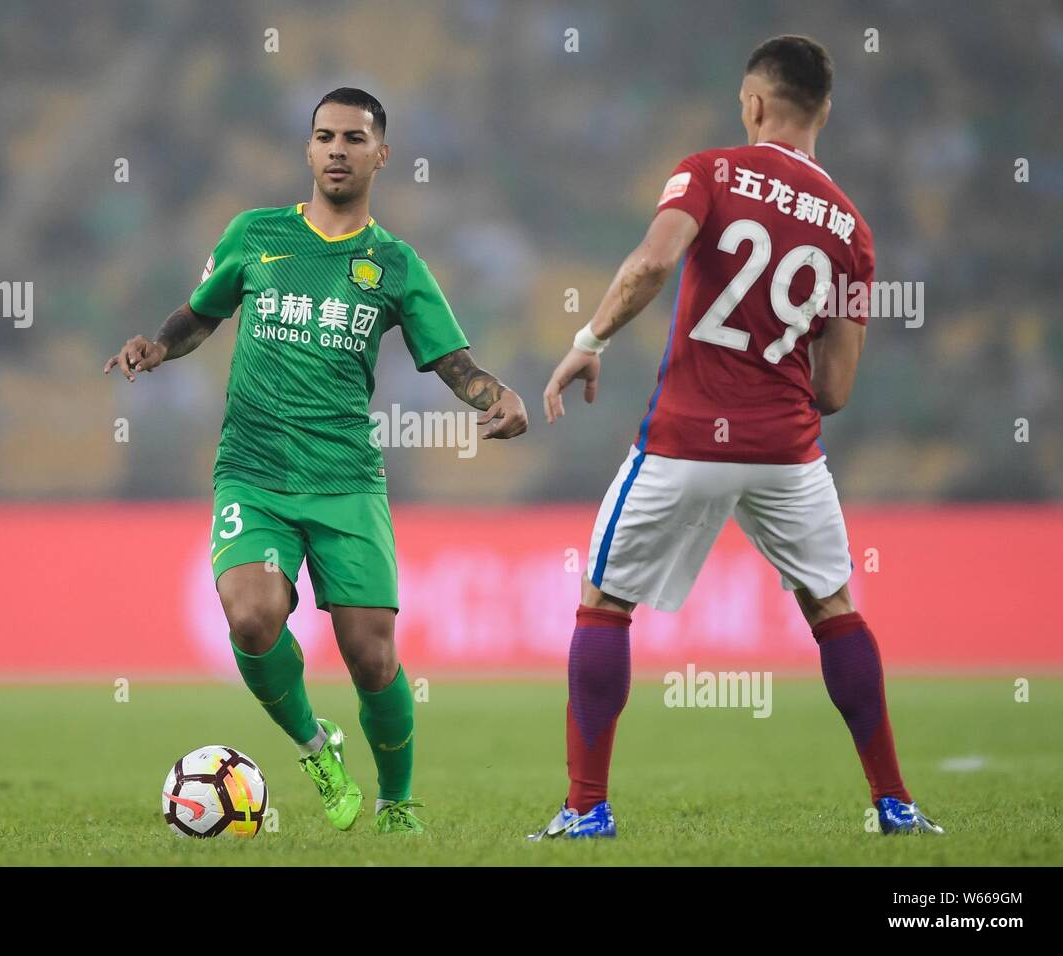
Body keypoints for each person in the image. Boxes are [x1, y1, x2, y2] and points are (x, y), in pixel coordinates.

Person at [533, 36, 942, 839]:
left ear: (754, 104)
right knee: (834, 609)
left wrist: (591, 338)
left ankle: (586, 812)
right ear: (824, 111)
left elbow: (653, 264)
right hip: (788, 452)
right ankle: (895, 803)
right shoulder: (853, 230)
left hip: (684, 440)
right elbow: (835, 390)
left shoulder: (710, 171)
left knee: (604, 603)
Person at [106, 88, 528, 834]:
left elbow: (453, 362)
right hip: (255, 471)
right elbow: (201, 312)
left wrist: (493, 395)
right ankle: (314, 746)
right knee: (252, 618)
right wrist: (158, 344)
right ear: (308, 151)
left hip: (345, 480)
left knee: (371, 658)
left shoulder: (394, 265)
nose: (338, 149)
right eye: (325, 136)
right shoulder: (256, 234)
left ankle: (398, 803)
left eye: (354, 138)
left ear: (381, 155)